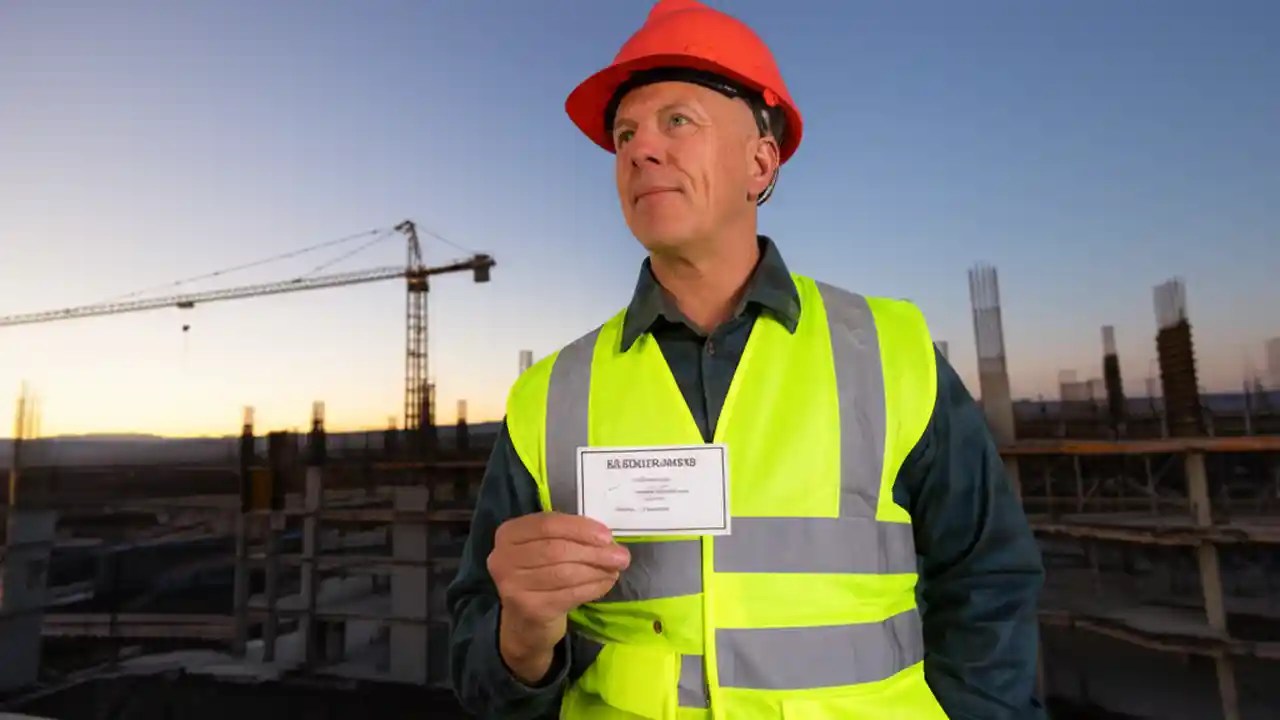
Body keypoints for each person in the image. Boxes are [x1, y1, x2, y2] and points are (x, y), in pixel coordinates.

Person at [446, 1, 1046, 717]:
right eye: (624, 134)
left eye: (678, 121)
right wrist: (521, 641)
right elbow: (479, 668)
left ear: (761, 161)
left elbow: (990, 584)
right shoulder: (550, 396)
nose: (639, 150)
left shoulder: (889, 352)